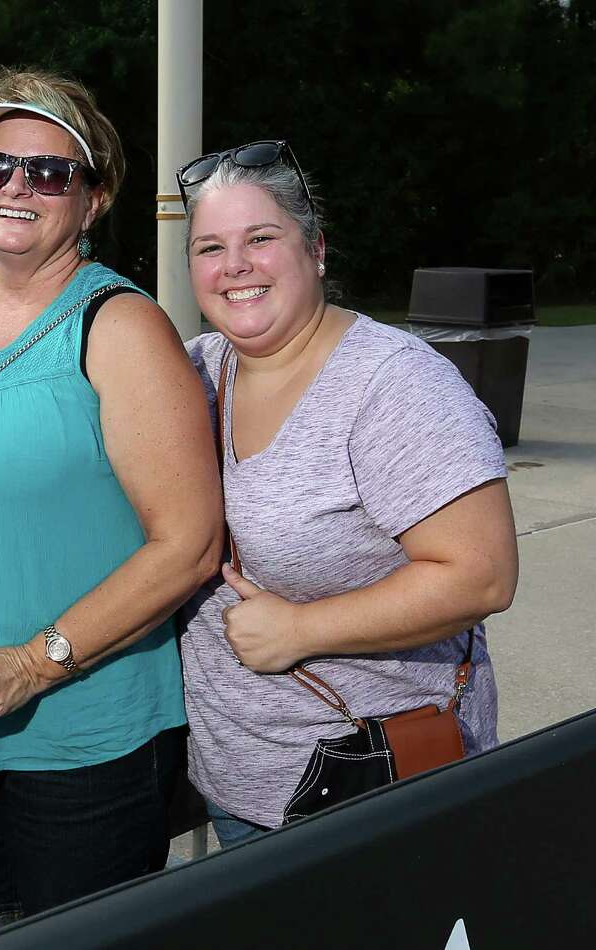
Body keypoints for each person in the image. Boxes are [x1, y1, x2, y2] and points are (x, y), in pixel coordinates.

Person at [0, 68, 223, 932]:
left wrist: (31, 664)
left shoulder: (119, 327)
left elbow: (187, 546)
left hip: (82, 735)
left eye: (49, 172)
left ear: (94, 197)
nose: (15, 187)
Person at [175, 140, 519, 845]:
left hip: (374, 794)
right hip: (236, 785)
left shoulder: (393, 386)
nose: (234, 265)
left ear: (317, 250)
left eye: (261, 239)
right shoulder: (196, 370)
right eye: (211, 248)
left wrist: (303, 630)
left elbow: (481, 576)